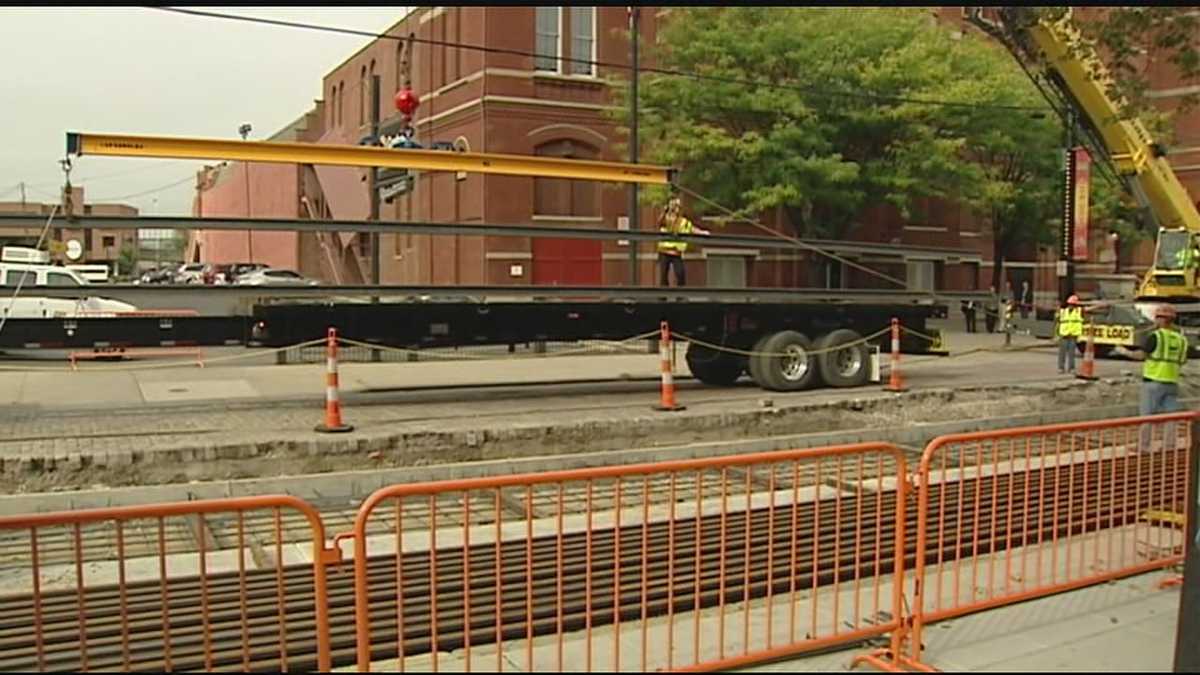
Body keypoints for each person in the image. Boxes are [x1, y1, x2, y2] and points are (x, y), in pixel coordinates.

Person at [1121, 303, 1188, 452]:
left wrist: (1123, 351)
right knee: (1171, 416)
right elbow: (1182, 360)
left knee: (1147, 415)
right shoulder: (1181, 340)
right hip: (1171, 382)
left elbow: (1141, 355)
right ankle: (1169, 446)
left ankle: (1144, 446)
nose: (1155, 321)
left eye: (1157, 318)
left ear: (1161, 320)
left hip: (1153, 382)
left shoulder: (1156, 336)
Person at [657, 197, 710, 287]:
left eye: (678, 207)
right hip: (664, 250)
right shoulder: (666, 218)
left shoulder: (683, 221)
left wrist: (702, 232)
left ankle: (680, 297)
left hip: (676, 252)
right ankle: (663, 298)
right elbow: (661, 222)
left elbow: (691, 228)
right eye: (675, 206)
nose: (677, 209)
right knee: (663, 276)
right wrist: (666, 210)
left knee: (680, 274)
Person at [1055, 294, 1085, 374]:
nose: (1072, 306)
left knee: (1071, 354)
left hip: (1073, 336)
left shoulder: (1079, 311)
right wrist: (1056, 335)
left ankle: (1071, 368)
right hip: (1064, 335)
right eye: (1071, 304)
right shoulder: (1063, 312)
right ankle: (1061, 368)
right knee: (1062, 353)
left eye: (1074, 305)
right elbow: (1057, 322)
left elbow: (1088, 309)